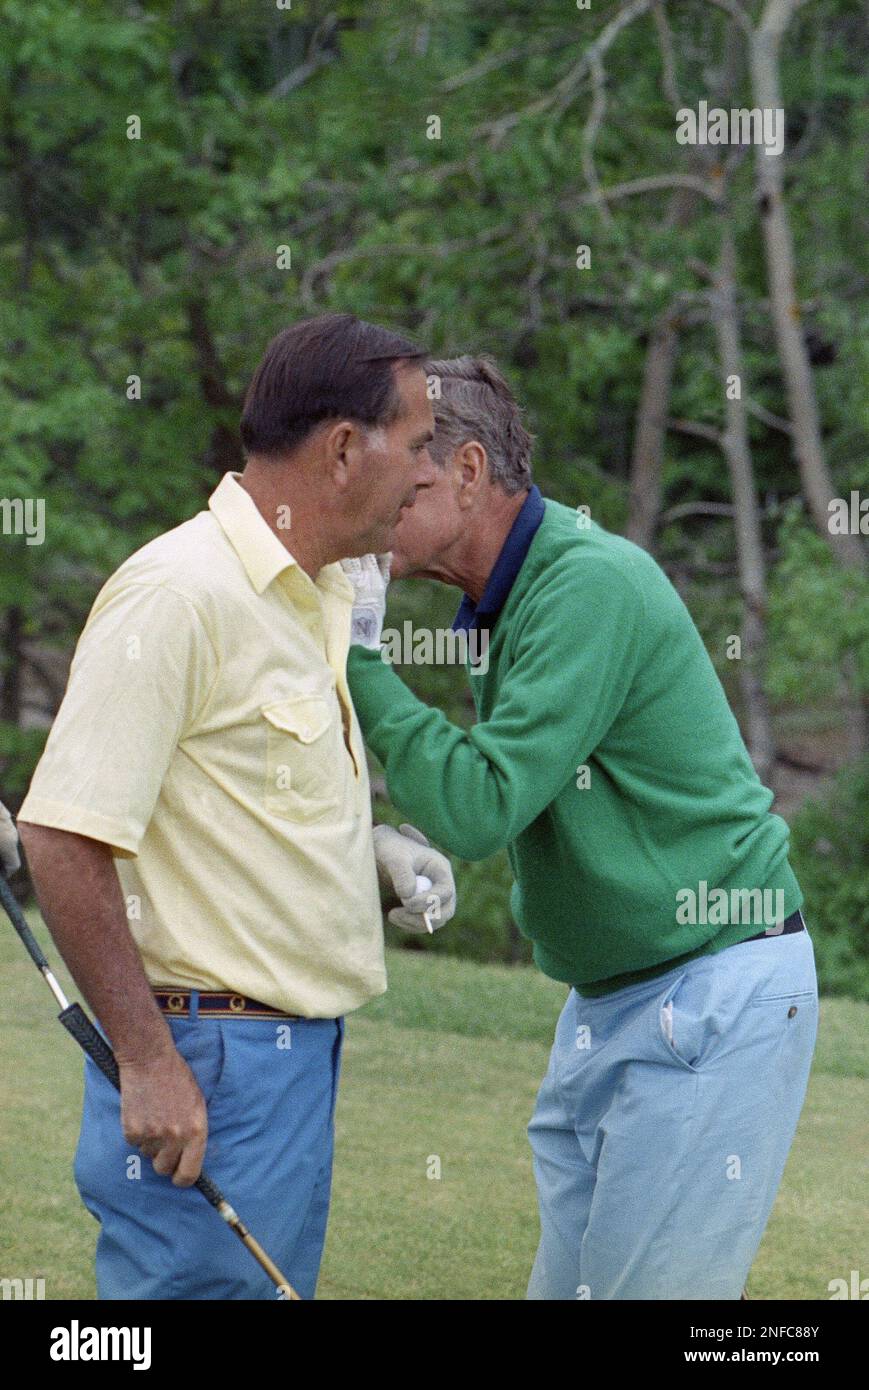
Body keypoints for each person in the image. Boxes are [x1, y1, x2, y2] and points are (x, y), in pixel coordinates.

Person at [340, 354, 819, 1301]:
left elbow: (479, 807)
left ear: (471, 474)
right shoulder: (503, 599)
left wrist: (357, 660)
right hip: (613, 1003)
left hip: (708, 993)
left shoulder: (583, 585)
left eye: (410, 476)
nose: (379, 501)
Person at [15, 313, 456, 1301]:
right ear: (343, 450)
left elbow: (244, 820)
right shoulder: (177, 594)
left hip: (292, 1058)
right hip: (207, 1061)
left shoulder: (319, 593)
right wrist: (146, 1060)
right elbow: (59, 834)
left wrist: (363, 862)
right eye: (420, 446)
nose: (430, 477)